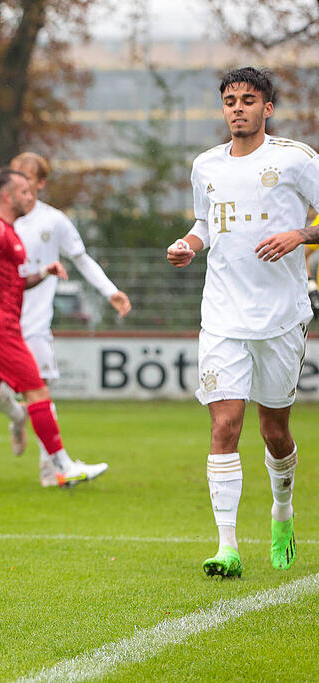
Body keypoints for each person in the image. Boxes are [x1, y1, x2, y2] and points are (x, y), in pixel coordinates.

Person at [167, 67, 317, 577]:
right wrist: (190, 244)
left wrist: (301, 235)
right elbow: (205, 222)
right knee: (224, 425)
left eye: (248, 100)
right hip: (223, 315)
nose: (237, 108)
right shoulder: (205, 165)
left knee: (275, 431)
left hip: (280, 319)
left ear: (267, 109)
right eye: (230, 100)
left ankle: (282, 511)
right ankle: (226, 546)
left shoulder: (294, 159)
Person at [0, 168, 109, 490]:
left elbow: (14, 282)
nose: (30, 197)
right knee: (37, 391)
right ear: (6, 196)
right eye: (24, 192)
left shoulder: (10, 234)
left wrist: (45, 272)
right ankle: (62, 467)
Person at [0, 153, 131, 486]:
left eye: (26, 177)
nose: (19, 182)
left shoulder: (54, 221)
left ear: (40, 183)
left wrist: (109, 291)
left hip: (34, 327)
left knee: (41, 394)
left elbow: (81, 258)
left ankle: (51, 471)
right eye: (15, 175)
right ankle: (17, 419)